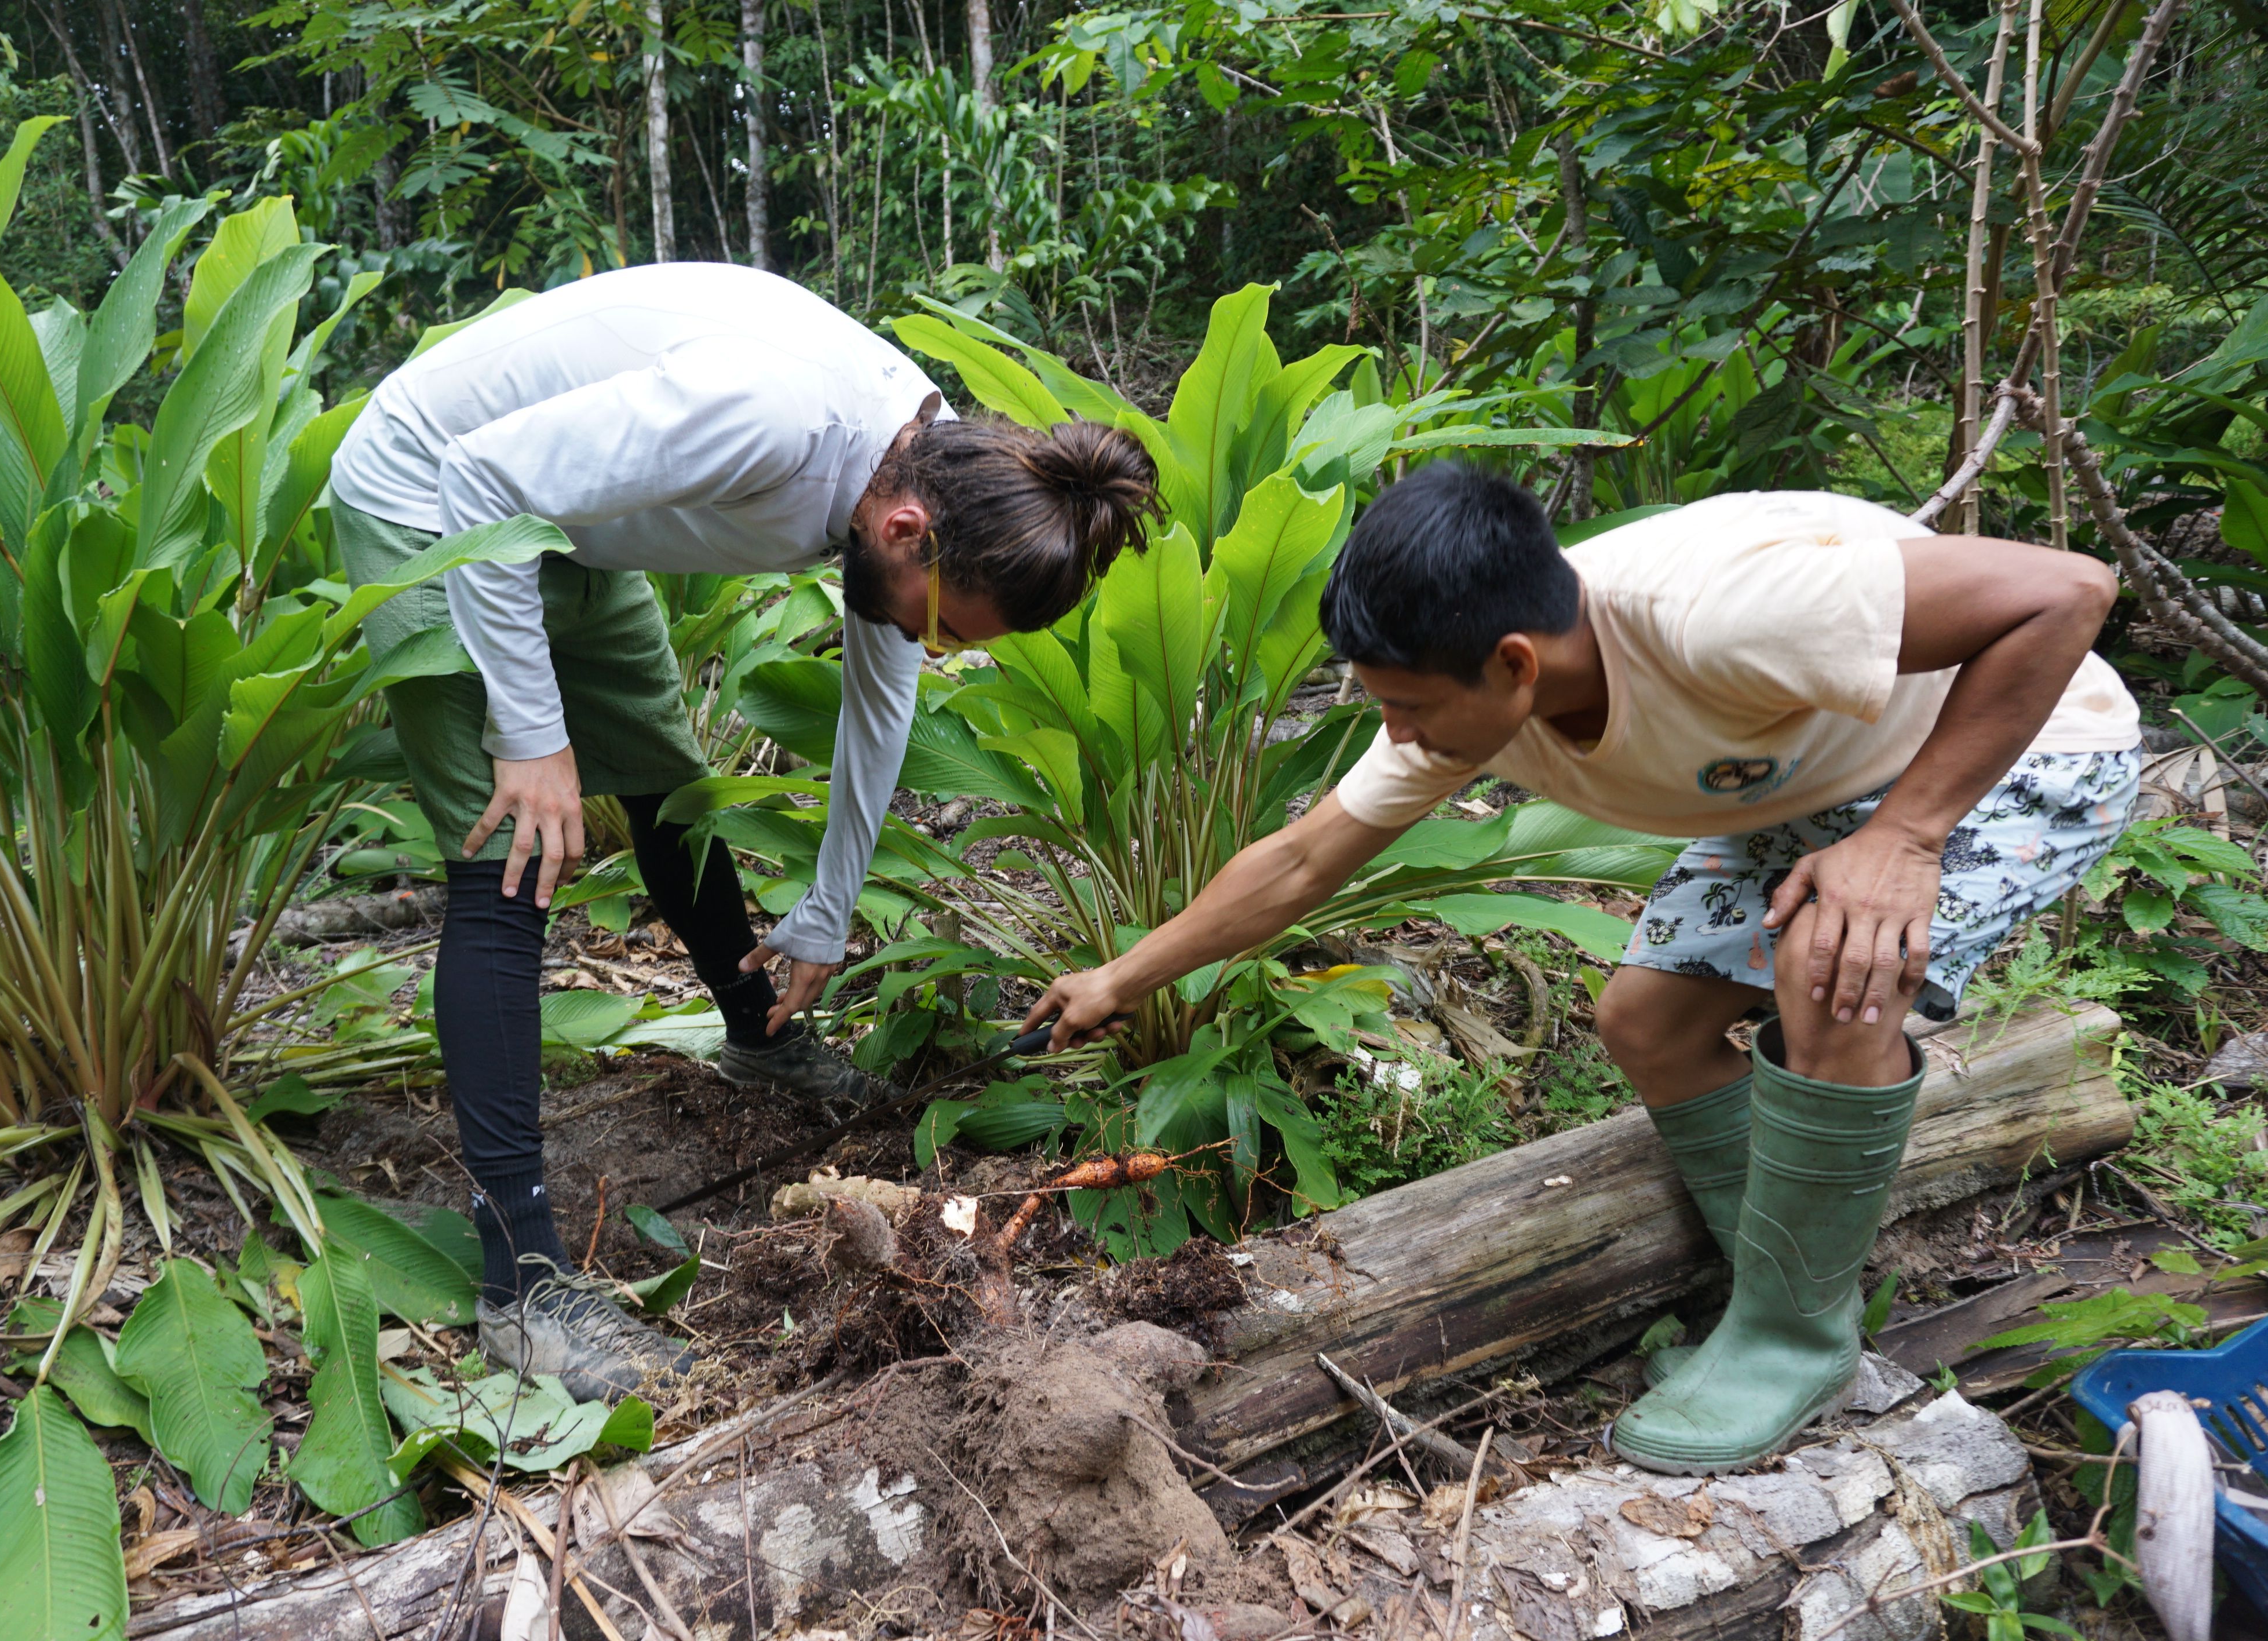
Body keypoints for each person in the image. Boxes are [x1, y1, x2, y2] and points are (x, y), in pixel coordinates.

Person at [1025, 465, 2139, 1474]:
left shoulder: (1719, 612)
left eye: (1404, 706)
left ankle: (1797, 1338)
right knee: (1647, 1024)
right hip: (1812, 784)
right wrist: (1122, 979)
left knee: (1831, 965)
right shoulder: (1464, 696)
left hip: (2017, 747)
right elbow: (1305, 857)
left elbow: (2067, 592)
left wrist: (1905, 840)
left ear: (1513, 662)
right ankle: (1781, 1273)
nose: (1394, 734)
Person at [328, 262, 1160, 1400]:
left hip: (568, 531)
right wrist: (531, 739)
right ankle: (522, 1291)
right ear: (906, 532)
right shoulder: (772, 421)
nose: (938, 650)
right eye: (946, 626)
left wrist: (826, 910)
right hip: (435, 496)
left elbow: (880, 699)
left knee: (665, 789)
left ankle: (761, 1043)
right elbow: (482, 477)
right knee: (513, 846)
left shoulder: (924, 468)